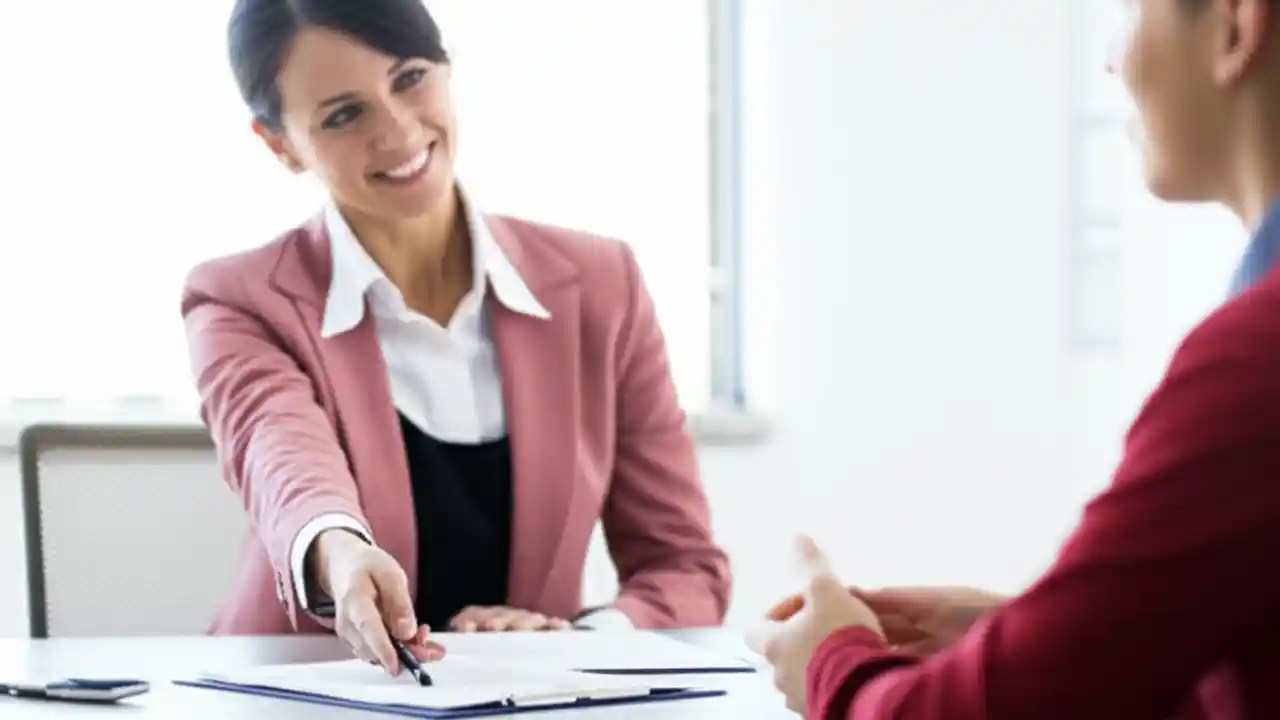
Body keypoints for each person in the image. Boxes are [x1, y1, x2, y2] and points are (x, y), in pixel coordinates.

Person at [752, 0, 1280, 717]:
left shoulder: (1253, 358)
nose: (1113, 58)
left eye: (1130, 11)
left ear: (1234, 28)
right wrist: (1037, 639)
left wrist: (830, 660)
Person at [181, 0, 731, 675]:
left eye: (410, 78)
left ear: (446, 69)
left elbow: (683, 568)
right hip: (293, 695)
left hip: (525, 702)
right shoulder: (241, 299)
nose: (398, 131)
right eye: (344, 115)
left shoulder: (600, 285)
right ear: (282, 145)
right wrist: (341, 550)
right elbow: (282, 461)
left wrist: (582, 641)